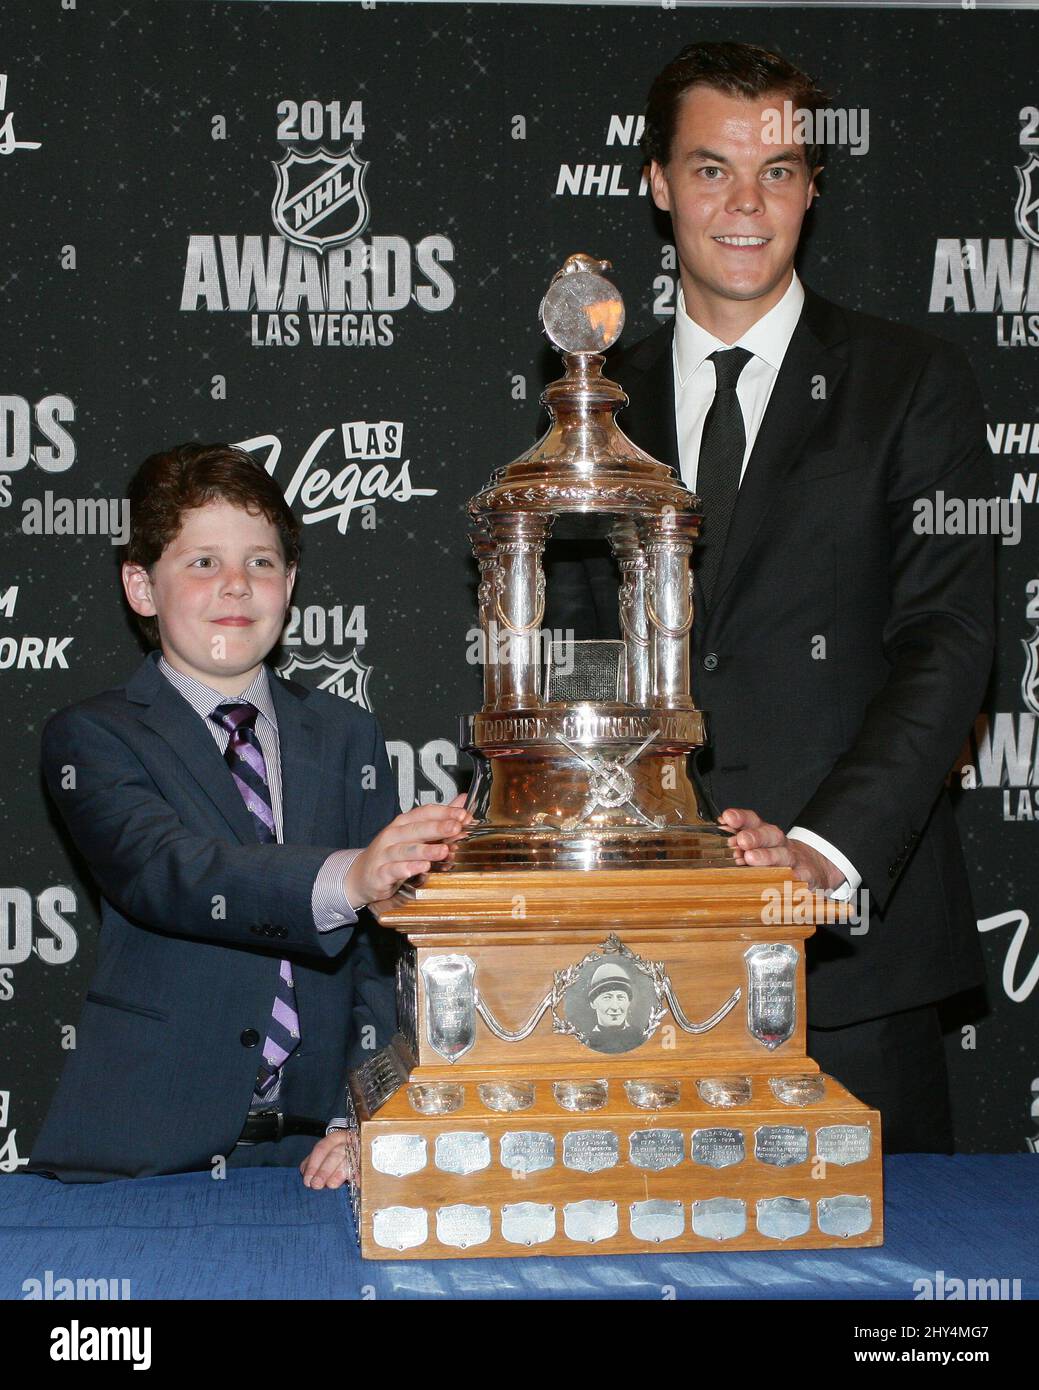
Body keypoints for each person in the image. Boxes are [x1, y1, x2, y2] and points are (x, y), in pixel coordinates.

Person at [542, 41, 995, 1153]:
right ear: (658, 184)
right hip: (638, 956)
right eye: (712, 169)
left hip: (852, 960)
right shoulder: (597, 401)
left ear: (811, 187)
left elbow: (949, 641)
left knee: (891, 1257)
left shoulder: (912, 381)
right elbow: (578, 654)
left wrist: (824, 854)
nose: (745, 205)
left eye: (777, 171)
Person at [29, 442, 470, 1183]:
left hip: (317, 1149)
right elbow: (165, 872)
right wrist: (349, 878)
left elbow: (380, 960)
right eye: (203, 562)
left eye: (260, 562)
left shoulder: (345, 733)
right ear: (141, 586)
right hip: (142, 1149)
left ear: (289, 584)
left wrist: (370, 1113)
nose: (236, 584)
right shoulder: (94, 736)